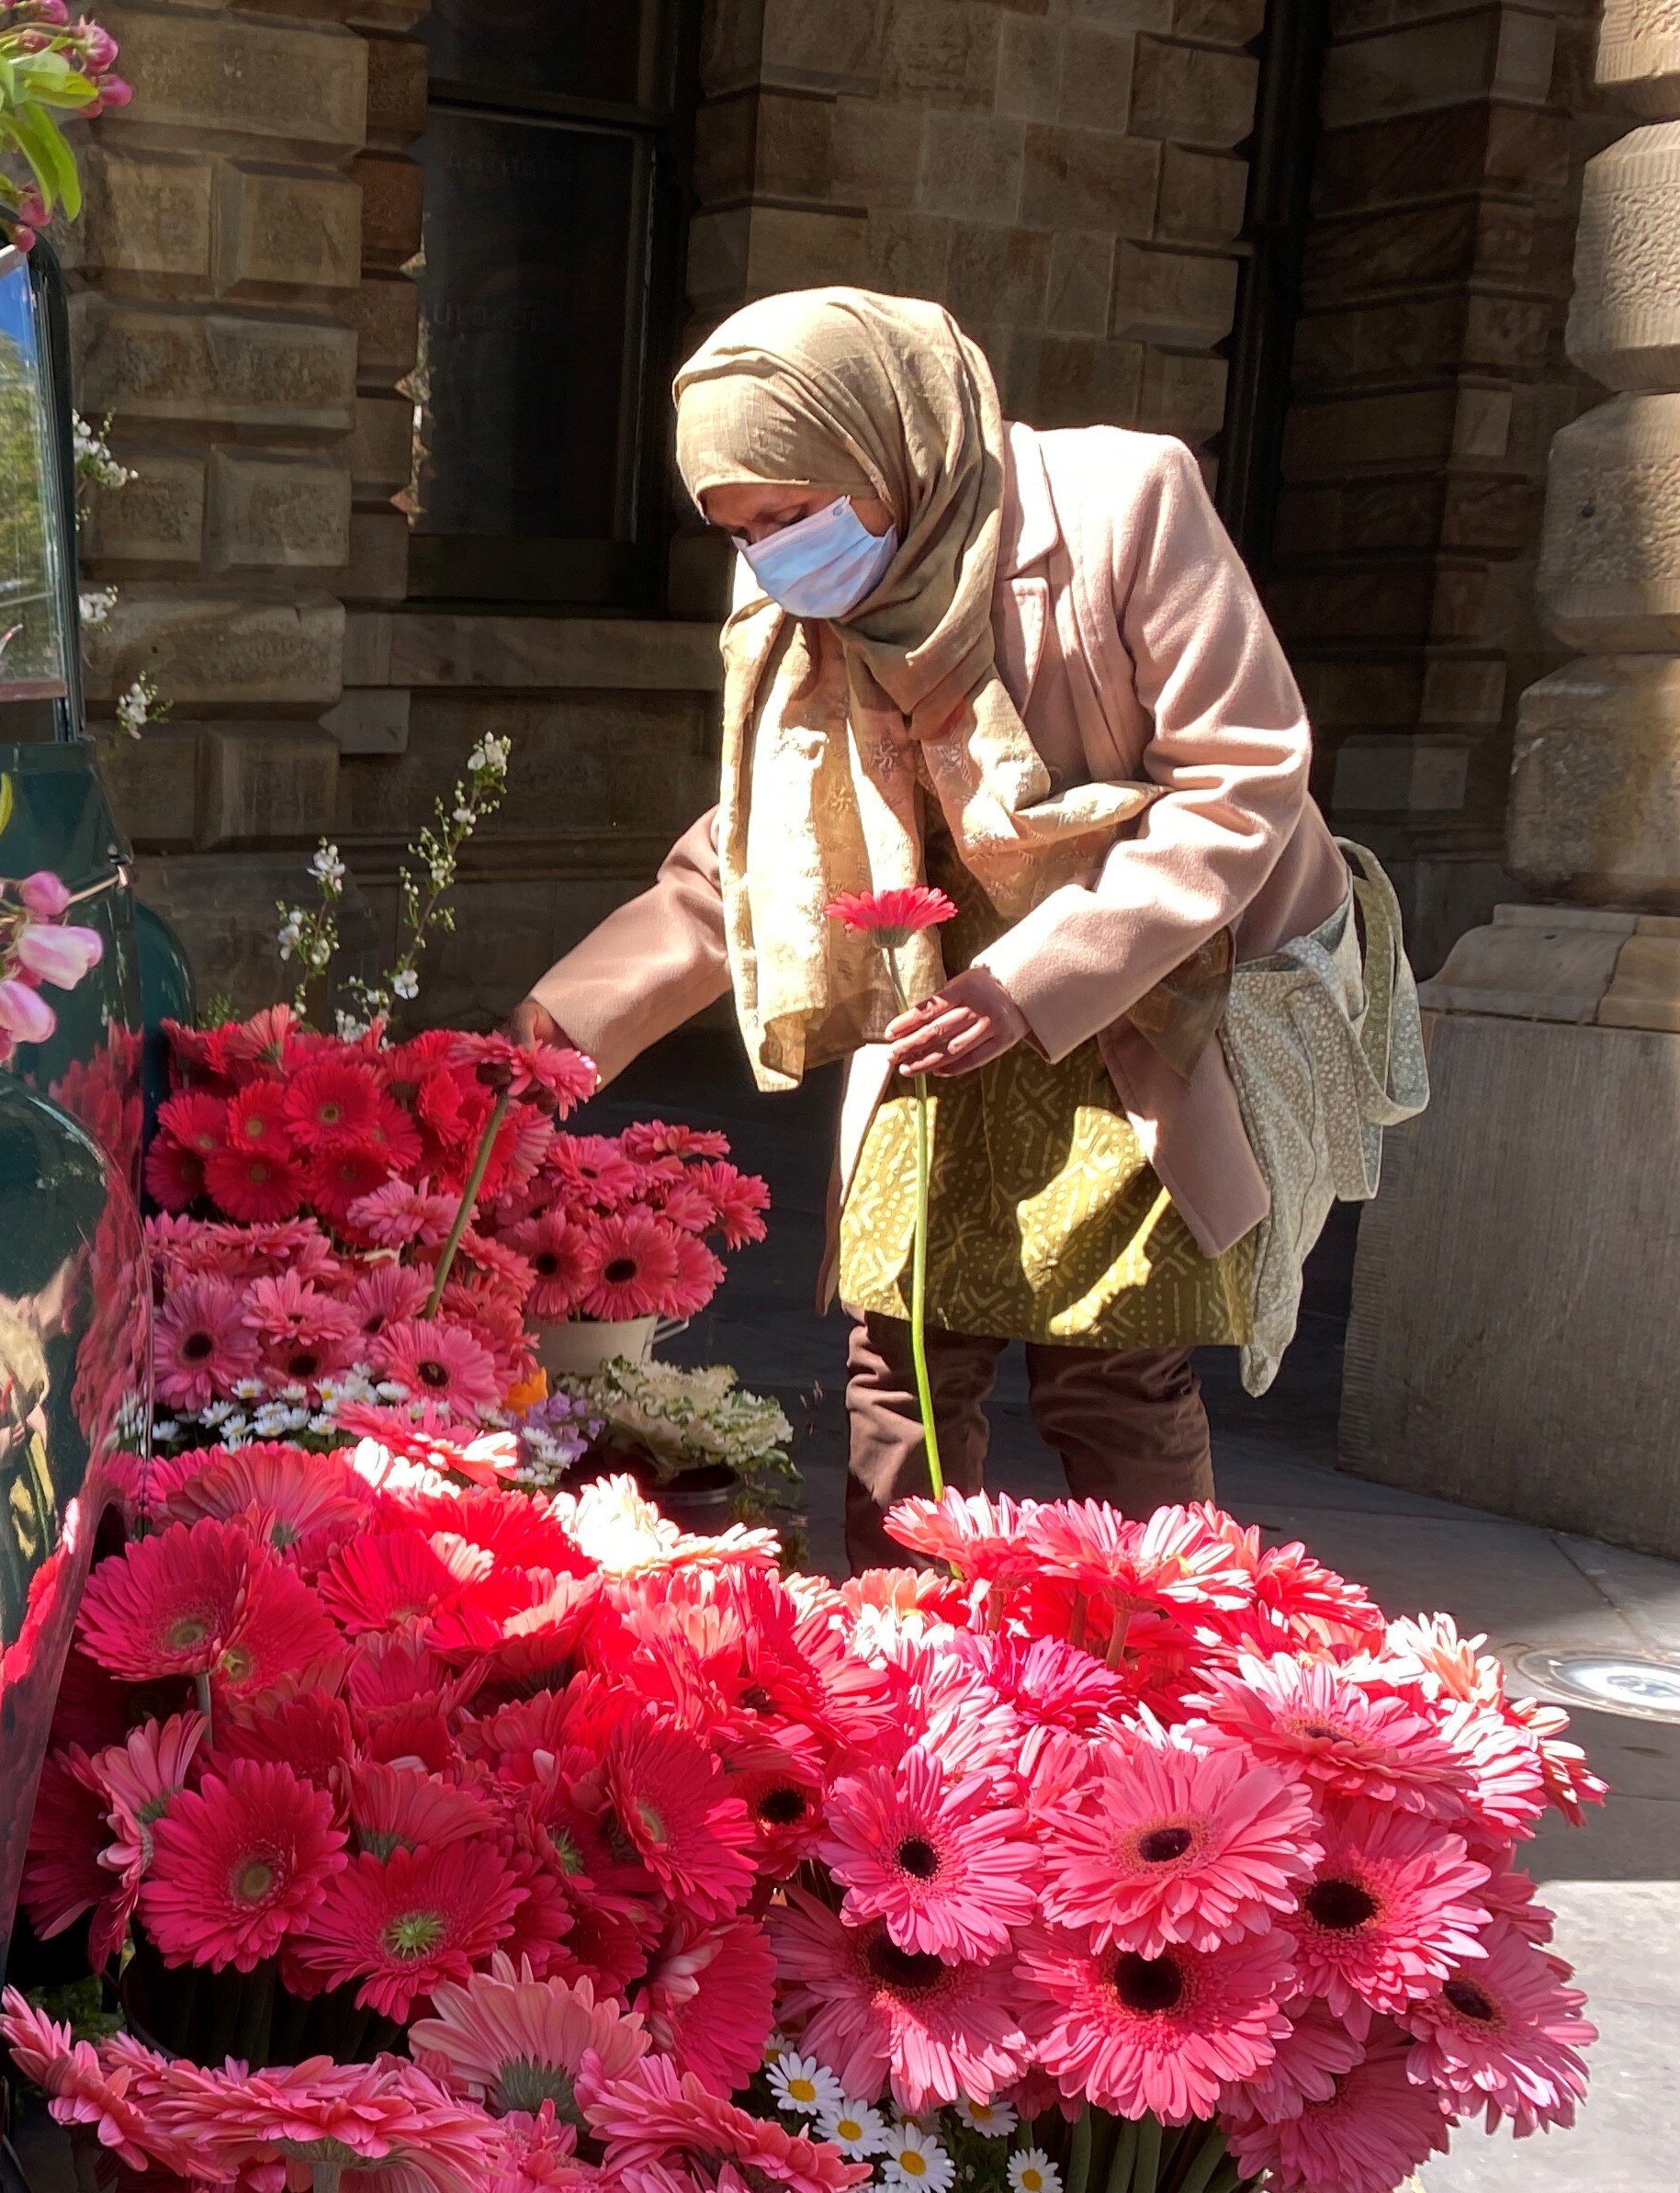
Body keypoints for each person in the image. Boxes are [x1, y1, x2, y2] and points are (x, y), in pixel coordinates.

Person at [508, 287, 1369, 1566]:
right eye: (737, 531)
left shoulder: (1127, 502)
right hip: (932, 997)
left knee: (1110, 1364)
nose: (771, 557)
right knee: (897, 1350)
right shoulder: (792, 606)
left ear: (881, 447)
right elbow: (754, 858)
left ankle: (1158, 1671)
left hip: (1132, 978)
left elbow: (1242, 776)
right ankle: (902, 1667)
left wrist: (1034, 979)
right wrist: (544, 1042)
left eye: (789, 515)